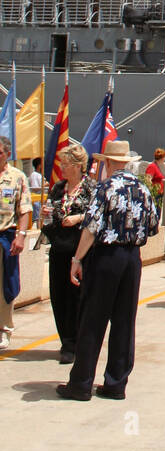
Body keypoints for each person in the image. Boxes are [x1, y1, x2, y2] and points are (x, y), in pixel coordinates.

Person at [57, 139, 159, 400]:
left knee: (93, 318)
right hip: (131, 258)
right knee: (124, 321)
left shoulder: (105, 188)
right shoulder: (142, 189)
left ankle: (81, 383)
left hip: (106, 256)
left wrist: (77, 259)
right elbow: (153, 226)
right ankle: (116, 382)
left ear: (109, 163)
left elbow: (91, 228)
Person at [41, 144, 95, 363]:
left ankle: (75, 343)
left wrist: (78, 218)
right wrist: (45, 214)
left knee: (77, 298)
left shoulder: (90, 188)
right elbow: (47, 220)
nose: (62, 168)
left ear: (77, 165)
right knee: (59, 296)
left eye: (65, 164)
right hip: (58, 250)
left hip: (79, 251)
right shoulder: (58, 188)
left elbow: (95, 215)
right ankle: (65, 339)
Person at [0, 134, 32, 352]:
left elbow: (25, 208)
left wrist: (20, 235)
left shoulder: (17, 177)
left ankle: (4, 329)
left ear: (7, 154)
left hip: (6, 236)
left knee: (5, 286)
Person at [145, 148, 165, 219]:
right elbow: (148, 180)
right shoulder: (152, 166)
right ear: (162, 158)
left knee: (158, 215)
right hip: (155, 195)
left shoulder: (156, 166)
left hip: (159, 195)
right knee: (155, 215)